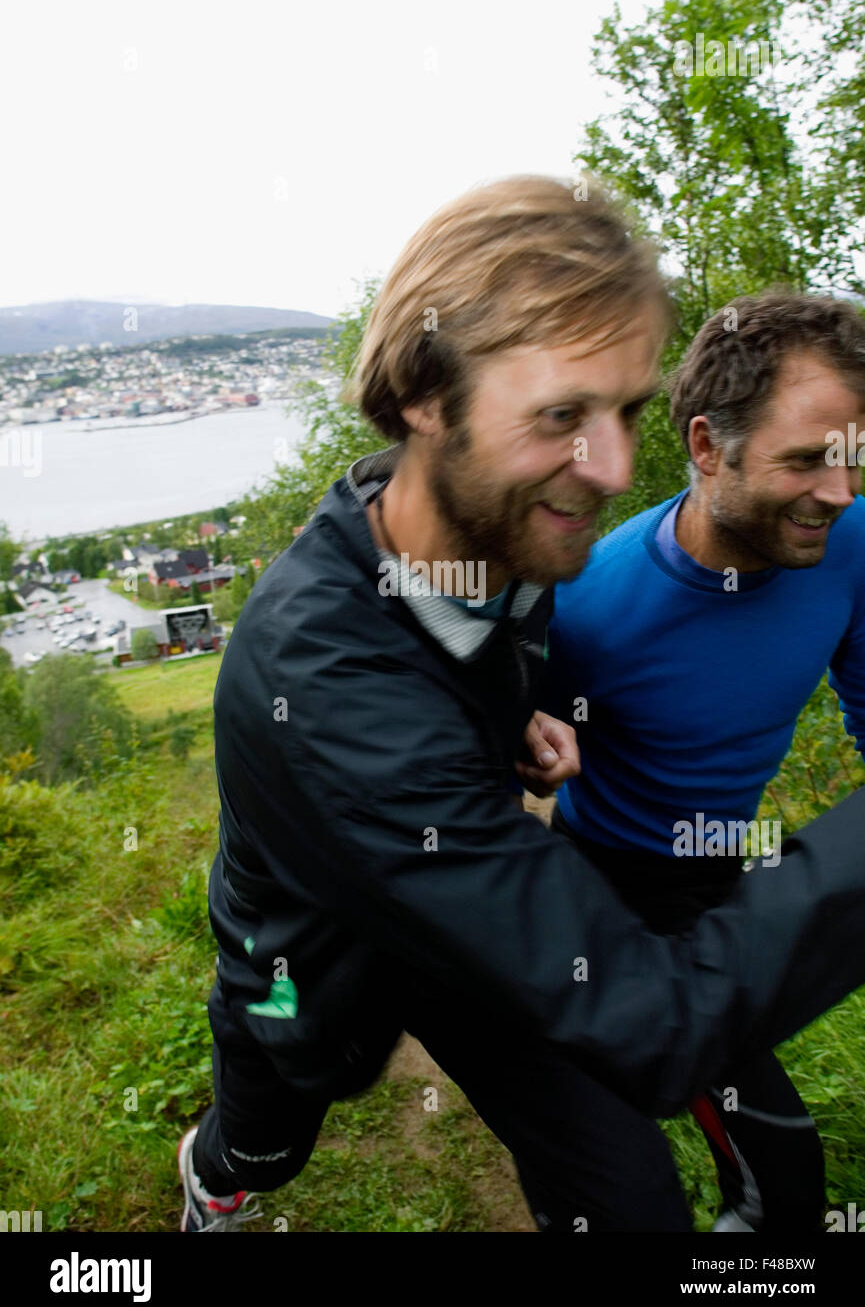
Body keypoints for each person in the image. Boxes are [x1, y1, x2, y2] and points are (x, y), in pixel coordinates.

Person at [178, 177, 865, 1234]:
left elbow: (481, 651)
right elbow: (659, 1018)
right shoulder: (321, 684)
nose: (615, 467)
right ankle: (213, 1171)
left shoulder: (486, 514)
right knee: (267, 1136)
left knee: (631, 1206)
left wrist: (513, 725)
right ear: (424, 393)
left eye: (625, 410)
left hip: (477, 916)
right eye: (561, 416)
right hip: (310, 964)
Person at [545, 290, 865, 1231]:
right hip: (606, 891)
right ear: (705, 447)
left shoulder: (846, 545)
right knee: (659, 1185)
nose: (838, 493)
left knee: (786, 1193)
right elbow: (496, 763)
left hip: (733, 873)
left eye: (850, 457)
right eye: (806, 461)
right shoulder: (590, 607)